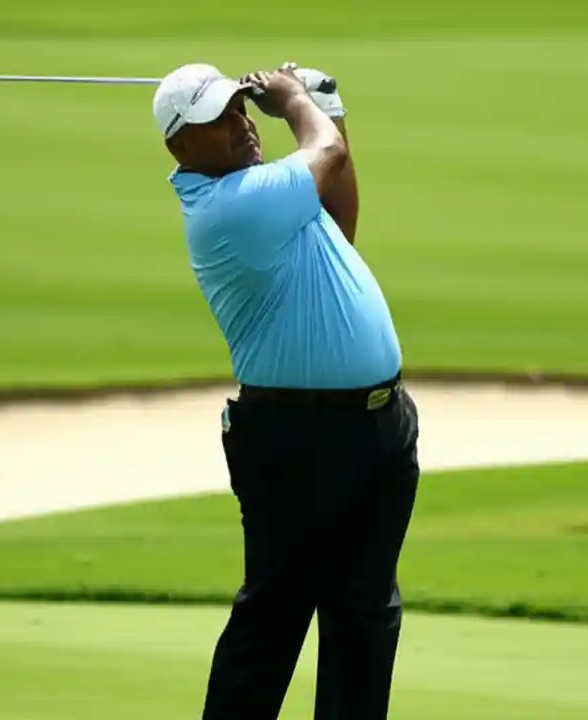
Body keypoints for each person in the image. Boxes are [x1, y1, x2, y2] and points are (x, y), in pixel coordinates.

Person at [152, 62, 421, 719]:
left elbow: (340, 216)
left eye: (239, 108)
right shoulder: (232, 206)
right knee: (274, 618)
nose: (241, 124)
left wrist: (330, 105)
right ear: (180, 145)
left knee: (365, 615)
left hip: (377, 426)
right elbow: (327, 152)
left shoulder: (269, 192)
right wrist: (299, 100)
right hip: (295, 439)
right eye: (219, 119)